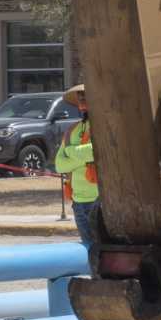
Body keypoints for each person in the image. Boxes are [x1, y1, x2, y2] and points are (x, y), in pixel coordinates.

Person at [52, 84, 99, 272]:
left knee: (103, 251)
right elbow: (60, 165)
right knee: (88, 251)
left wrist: (72, 153)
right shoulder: (72, 130)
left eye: (85, 98)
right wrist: (82, 156)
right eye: (80, 99)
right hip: (79, 202)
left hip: (101, 200)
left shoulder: (104, 127)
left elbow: (97, 151)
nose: (82, 103)